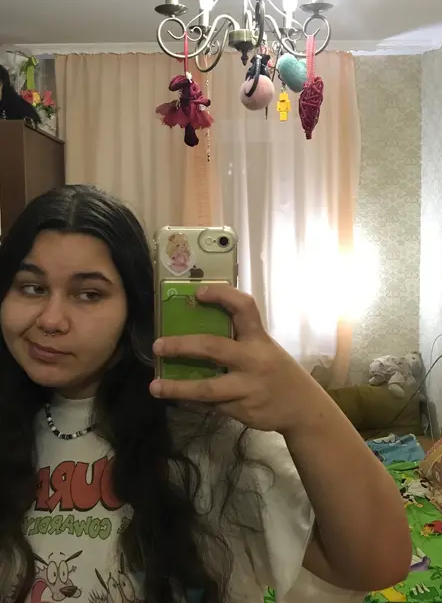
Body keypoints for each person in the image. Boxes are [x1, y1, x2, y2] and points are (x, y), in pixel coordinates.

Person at [0, 185, 411, 603]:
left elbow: (378, 563)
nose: (51, 320)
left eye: (89, 294)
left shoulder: (206, 429)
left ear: (134, 308)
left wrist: (306, 413)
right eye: (31, 288)